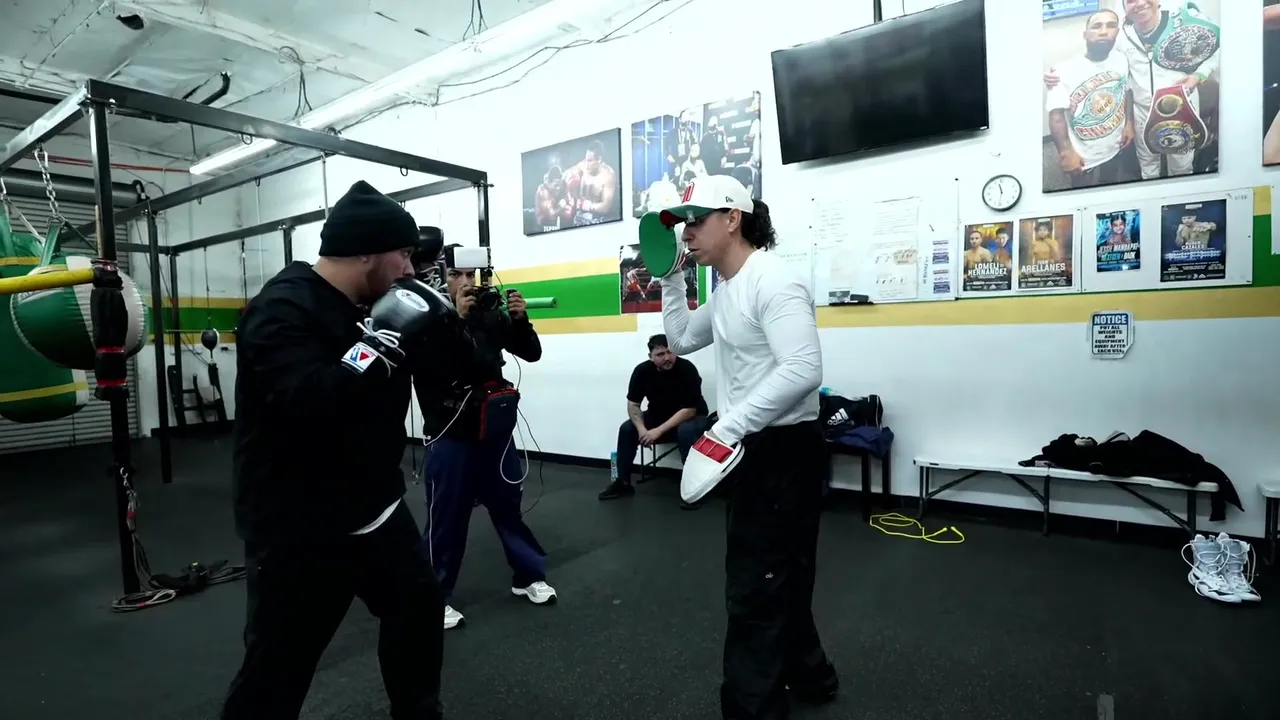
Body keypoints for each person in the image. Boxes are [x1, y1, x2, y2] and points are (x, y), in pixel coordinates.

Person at [221, 181, 454, 720]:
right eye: (402, 255)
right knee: (279, 664)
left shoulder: (371, 303)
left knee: (417, 609)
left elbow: (432, 374)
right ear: (366, 252)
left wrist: (441, 331)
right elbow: (309, 399)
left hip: (373, 506)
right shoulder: (281, 309)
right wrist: (375, 346)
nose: (409, 268)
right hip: (299, 522)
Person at [649, 174, 838, 719]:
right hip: (755, 443)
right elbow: (681, 339)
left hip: (783, 449)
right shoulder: (727, 288)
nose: (686, 233)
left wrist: (727, 427)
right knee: (783, 572)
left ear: (733, 218)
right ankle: (811, 675)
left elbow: (803, 369)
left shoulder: (773, 280)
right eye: (682, 224)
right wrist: (670, 279)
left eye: (696, 221)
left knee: (758, 584)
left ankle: (753, 708)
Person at [414, 244, 554, 631]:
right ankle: (432, 598)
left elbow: (531, 353)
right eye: (456, 275)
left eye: (471, 275)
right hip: (451, 433)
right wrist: (456, 321)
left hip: (493, 431)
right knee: (447, 519)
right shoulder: (426, 319)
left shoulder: (488, 313)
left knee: (508, 508)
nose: (466, 283)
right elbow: (441, 367)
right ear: (440, 277)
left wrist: (520, 320)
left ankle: (528, 576)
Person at [598, 333, 711, 507]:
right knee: (627, 429)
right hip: (658, 416)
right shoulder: (642, 371)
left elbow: (689, 410)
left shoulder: (687, 369)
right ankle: (622, 483)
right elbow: (633, 404)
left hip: (692, 417)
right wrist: (642, 431)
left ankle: (694, 488)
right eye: (660, 354)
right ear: (650, 357)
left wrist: (657, 432)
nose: (667, 358)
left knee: (686, 431)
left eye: (670, 352)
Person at [1045, 9, 1135, 189]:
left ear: (1117, 32)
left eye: (1111, 26)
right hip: (1083, 153)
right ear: (1085, 35)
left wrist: (1129, 124)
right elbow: (1056, 116)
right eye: (1096, 26)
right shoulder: (1063, 72)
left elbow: (1127, 92)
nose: (1103, 31)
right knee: (1081, 192)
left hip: (1115, 144)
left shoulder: (1122, 59)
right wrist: (1066, 153)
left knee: (1110, 183)